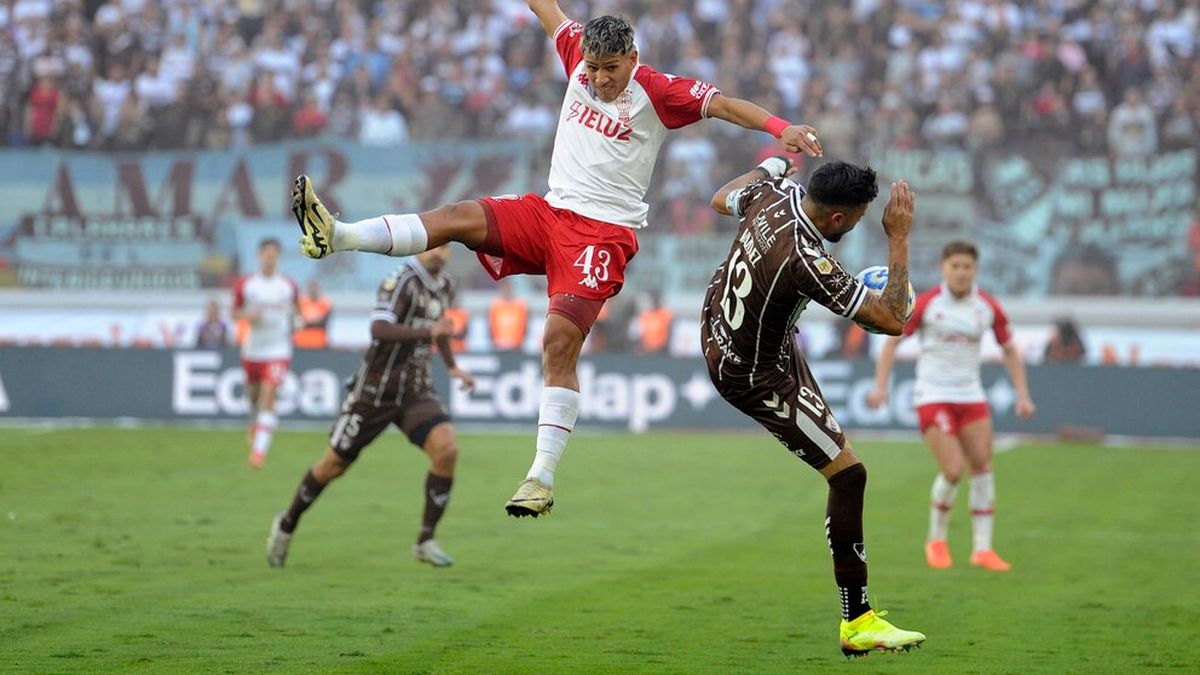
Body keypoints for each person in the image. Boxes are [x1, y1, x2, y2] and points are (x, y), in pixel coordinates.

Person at [291, 1, 823, 517]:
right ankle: (337, 235)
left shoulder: (657, 91)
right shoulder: (575, 52)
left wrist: (781, 128)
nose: (599, 78)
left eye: (610, 68)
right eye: (592, 67)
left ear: (632, 58)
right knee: (456, 216)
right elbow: (545, 9)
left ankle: (540, 478)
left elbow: (725, 105)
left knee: (558, 342)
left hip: (601, 235)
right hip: (548, 213)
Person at [701, 157, 925, 657]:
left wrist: (774, 161)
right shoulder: (805, 261)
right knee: (849, 477)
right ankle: (857, 622)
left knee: (846, 467)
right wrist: (898, 237)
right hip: (753, 374)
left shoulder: (774, 193)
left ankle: (859, 620)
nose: (861, 224)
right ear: (837, 218)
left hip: (721, 328)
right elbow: (892, 320)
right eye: (860, 218)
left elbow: (719, 198)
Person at [265, 245, 476, 568]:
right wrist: (428, 331)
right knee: (332, 465)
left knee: (447, 449)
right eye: (434, 245)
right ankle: (286, 524)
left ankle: (425, 540)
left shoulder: (446, 285)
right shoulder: (401, 281)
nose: (439, 252)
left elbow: (440, 330)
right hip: (374, 393)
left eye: (446, 246)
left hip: (415, 391)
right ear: (421, 246)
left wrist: (452, 367)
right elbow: (378, 329)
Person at [867, 241, 1036, 572]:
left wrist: (1022, 393)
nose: (961, 273)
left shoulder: (987, 306)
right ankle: (936, 540)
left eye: (966, 267)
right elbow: (892, 341)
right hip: (933, 395)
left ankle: (982, 549)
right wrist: (880, 386)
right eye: (955, 266)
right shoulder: (927, 303)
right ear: (944, 269)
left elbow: (1009, 348)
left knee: (983, 467)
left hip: (971, 396)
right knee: (954, 470)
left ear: (976, 270)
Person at [232, 238, 299, 469]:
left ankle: (258, 453)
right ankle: (254, 421)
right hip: (253, 349)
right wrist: (247, 316)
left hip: (278, 349)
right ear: (260, 255)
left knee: (268, 396)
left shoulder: (287, 285)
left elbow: (297, 312)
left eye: (274, 254)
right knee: (253, 396)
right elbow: (234, 312)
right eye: (266, 254)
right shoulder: (247, 284)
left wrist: (297, 321)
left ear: (278, 257)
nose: (270, 258)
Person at [488, 280, 529, 352]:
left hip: (516, 346)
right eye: (505, 288)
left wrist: (520, 341)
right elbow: (491, 326)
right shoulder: (496, 305)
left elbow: (525, 325)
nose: (507, 290)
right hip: (499, 345)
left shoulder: (520, 305)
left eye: (508, 287)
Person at [294, 279, 332, 349]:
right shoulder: (300, 303)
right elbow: (297, 324)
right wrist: (313, 322)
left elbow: (323, 323)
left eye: (315, 289)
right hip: (301, 342)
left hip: (319, 343)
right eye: (311, 288)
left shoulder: (325, 304)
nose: (313, 291)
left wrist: (307, 322)